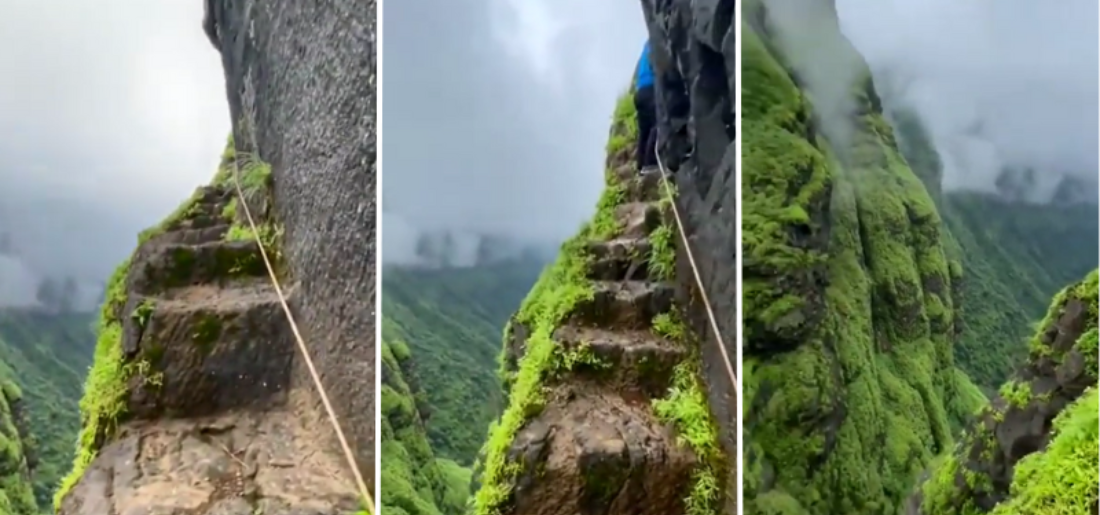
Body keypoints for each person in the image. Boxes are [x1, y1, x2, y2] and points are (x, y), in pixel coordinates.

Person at [633, 41, 658, 174]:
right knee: (658, 122)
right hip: (651, 89)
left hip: (640, 91)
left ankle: (640, 164)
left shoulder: (647, 45)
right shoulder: (656, 42)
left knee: (645, 129)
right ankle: (651, 162)